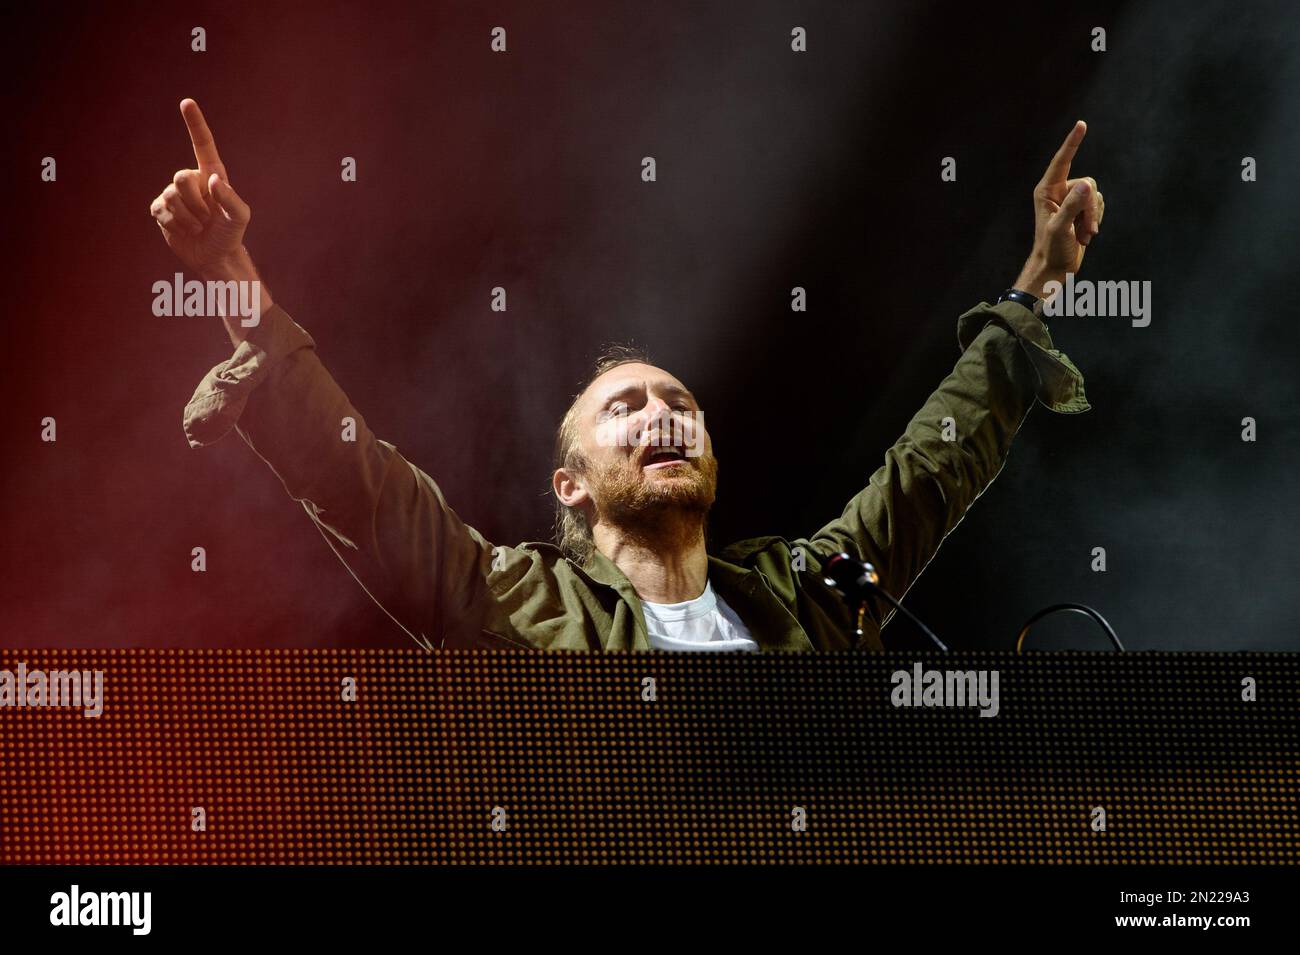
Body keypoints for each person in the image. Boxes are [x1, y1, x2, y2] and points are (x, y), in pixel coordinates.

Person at [152, 99, 1101, 651]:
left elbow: (929, 469)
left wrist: (1037, 285)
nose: (665, 416)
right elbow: (359, 486)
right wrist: (236, 279)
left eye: (682, 403)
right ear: (570, 483)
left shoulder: (809, 587)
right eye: (628, 407)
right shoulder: (508, 598)